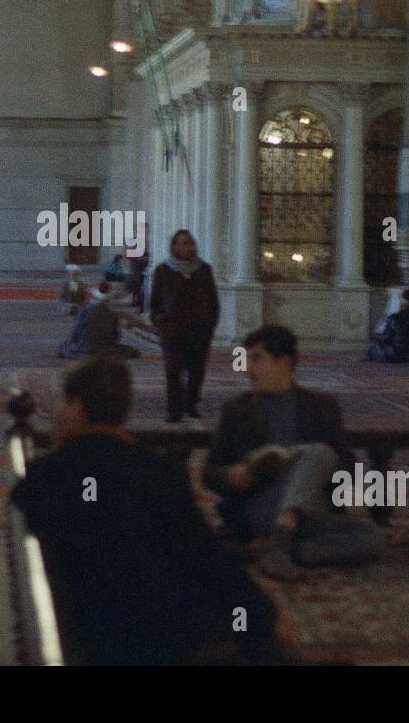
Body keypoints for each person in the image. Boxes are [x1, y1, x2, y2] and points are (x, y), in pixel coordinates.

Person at [10, 357, 289, 665]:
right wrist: (263, 615)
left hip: (98, 634)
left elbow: (28, 500)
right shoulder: (157, 470)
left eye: (61, 404)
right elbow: (203, 556)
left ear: (77, 408)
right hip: (154, 642)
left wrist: (62, 449)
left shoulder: (49, 474)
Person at [204, 325, 384, 574]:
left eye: (257, 359)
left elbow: (347, 468)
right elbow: (209, 471)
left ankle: (275, 547)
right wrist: (232, 475)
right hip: (260, 502)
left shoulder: (321, 406)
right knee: (320, 452)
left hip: (310, 510)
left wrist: (313, 469)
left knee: (374, 538)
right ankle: (283, 537)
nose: (248, 369)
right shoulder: (236, 409)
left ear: (285, 362)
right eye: (247, 360)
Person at [149, 229, 219, 422]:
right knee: (173, 370)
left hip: (198, 331)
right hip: (172, 331)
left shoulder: (204, 270)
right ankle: (174, 409)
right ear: (173, 246)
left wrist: (209, 325)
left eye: (188, 243)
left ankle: (190, 405)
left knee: (196, 371)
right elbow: (155, 302)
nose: (185, 247)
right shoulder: (163, 270)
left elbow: (213, 301)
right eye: (181, 243)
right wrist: (160, 322)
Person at [58, 282, 138, 360]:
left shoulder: (84, 311)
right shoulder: (112, 315)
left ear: (95, 297)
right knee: (129, 350)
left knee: (65, 347)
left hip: (84, 349)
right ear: (108, 300)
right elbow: (115, 336)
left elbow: (75, 332)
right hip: (104, 350)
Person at [368, 288, 409, 363]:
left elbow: (385, 339)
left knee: (373, 348)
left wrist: (377, 337)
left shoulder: (394, 318)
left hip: (396, 352)